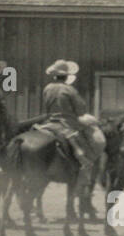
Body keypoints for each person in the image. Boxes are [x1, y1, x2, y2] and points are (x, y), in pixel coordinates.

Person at [37, 60, 94, 197]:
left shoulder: (47, 88)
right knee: (86, 152)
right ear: (67, 76)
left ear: (54, 75)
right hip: (66, 124)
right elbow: (81, 110)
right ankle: (83, 184)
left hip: (49, 123)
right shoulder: (70, 89)